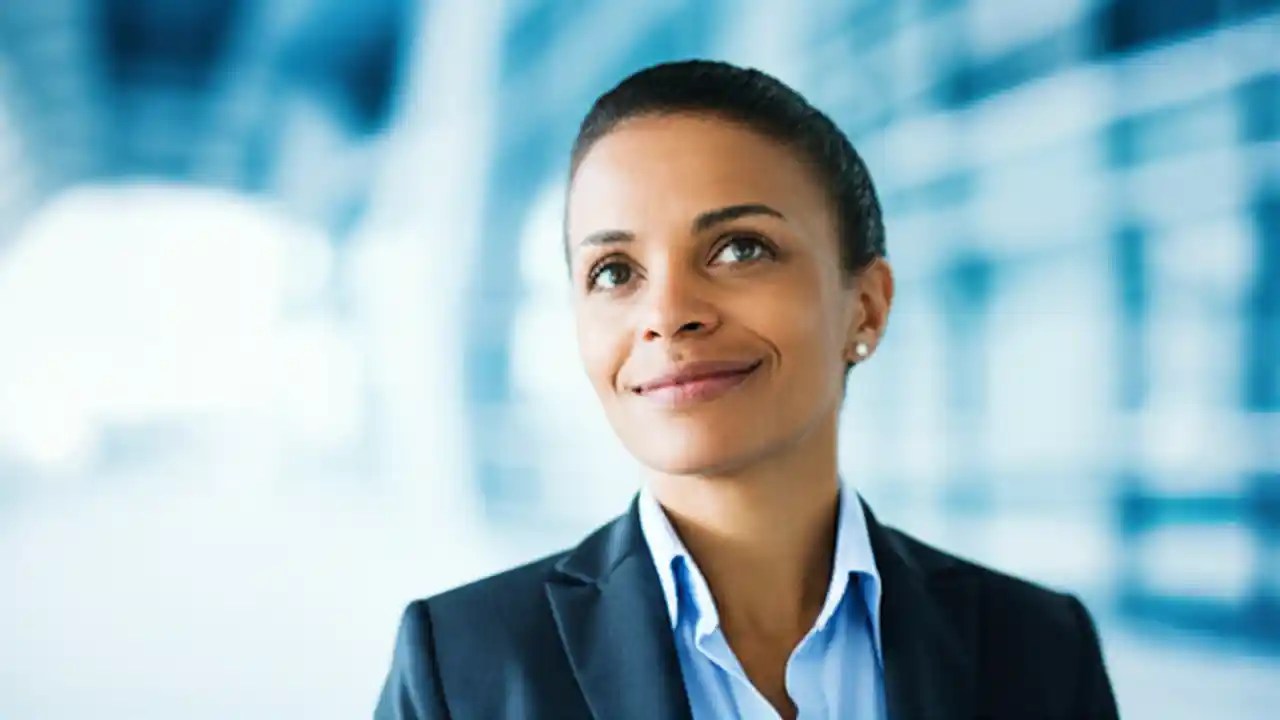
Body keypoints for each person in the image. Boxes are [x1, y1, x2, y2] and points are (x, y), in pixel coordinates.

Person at [375, 59, 1119, 720]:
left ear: (865, 308)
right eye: (614, 272)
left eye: (739, 249)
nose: (668, 314)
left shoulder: (1041, 651)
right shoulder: (461, 670)